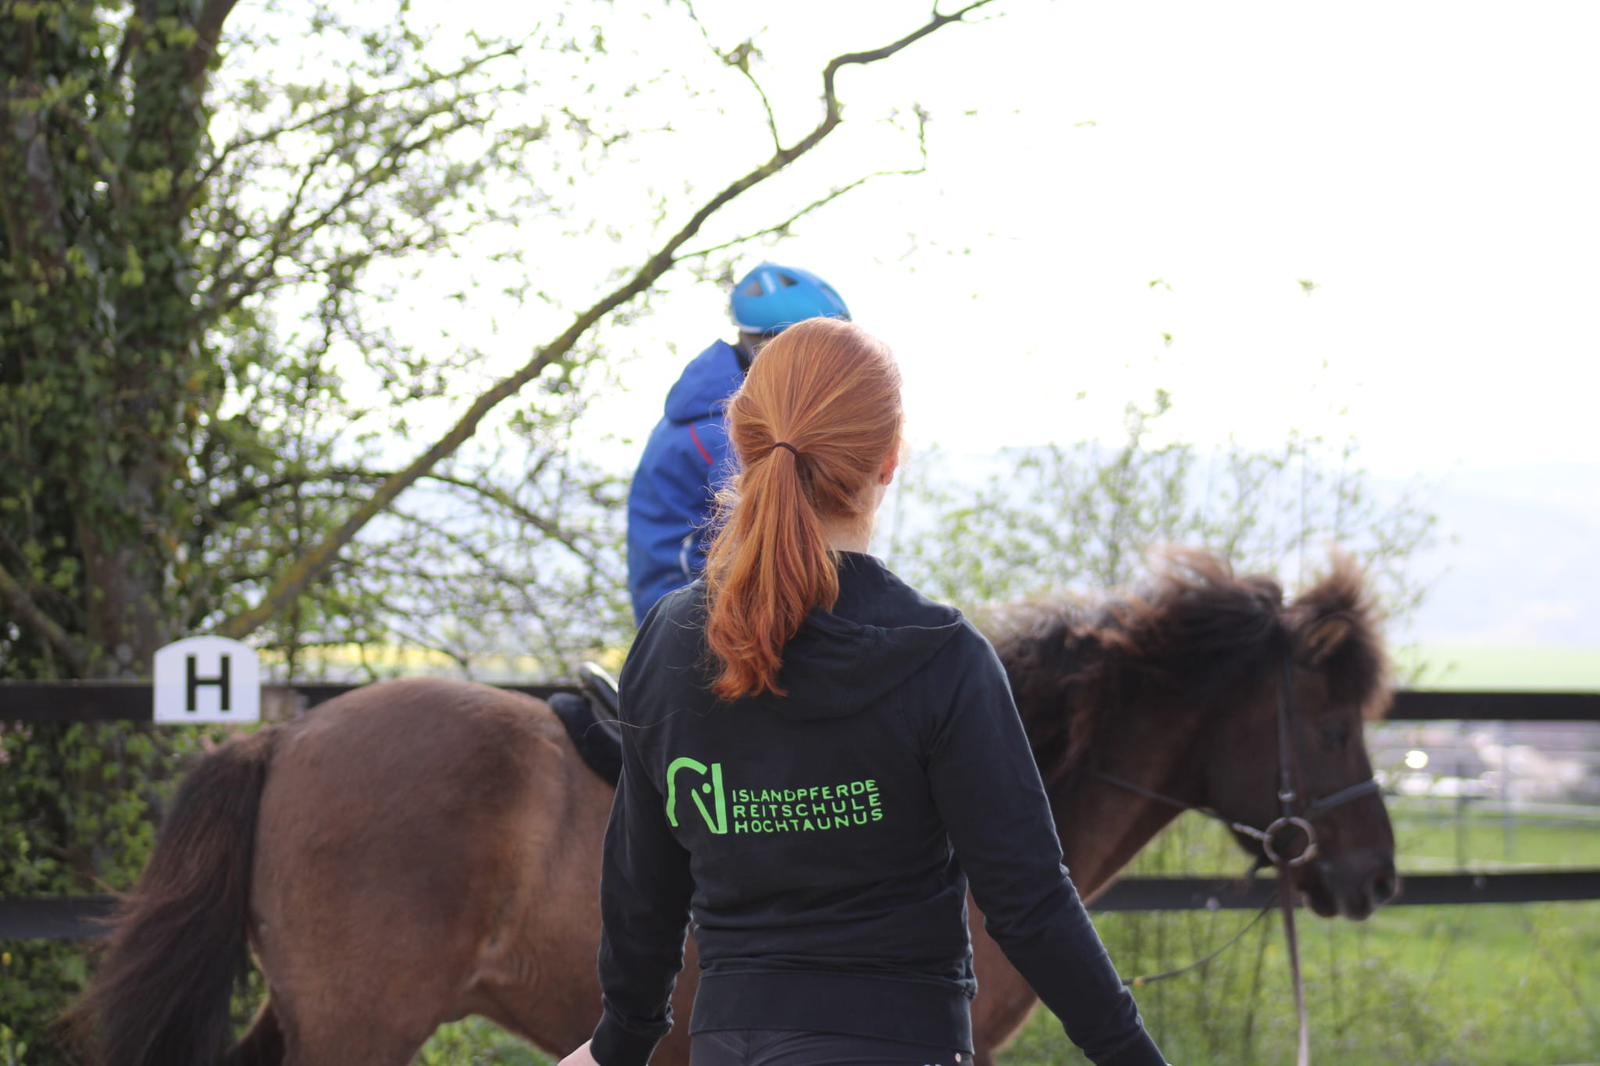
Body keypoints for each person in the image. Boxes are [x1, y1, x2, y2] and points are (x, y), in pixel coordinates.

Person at [562, 318, 1167, 1066]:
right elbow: (1030, 904)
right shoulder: (940, 659)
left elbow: (641, 890)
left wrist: (618, 1042)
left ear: (746, 447)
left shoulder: (668, 640)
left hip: (729, 1044)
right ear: (888, 461)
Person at [625, 263, 850, 623]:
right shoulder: (722, 428)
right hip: (695, 625)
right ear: (776, 352)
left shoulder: (716, 400)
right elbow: (763, 544)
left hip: (687, 611)